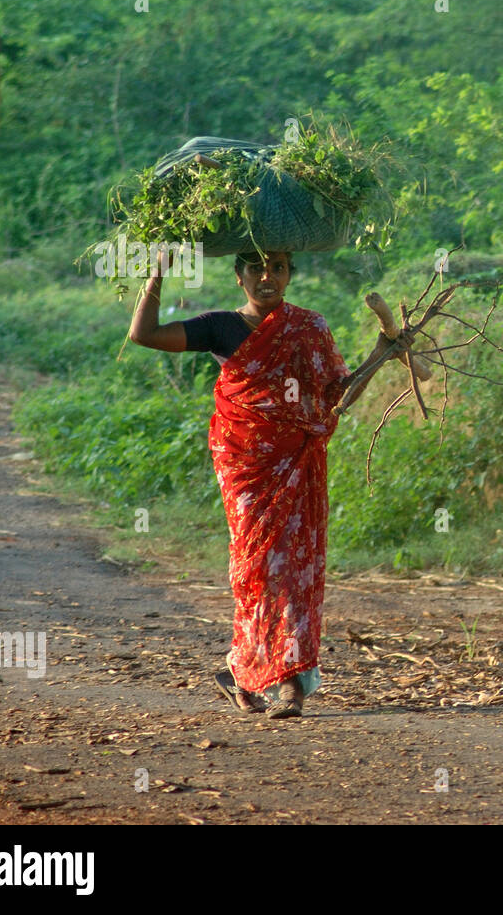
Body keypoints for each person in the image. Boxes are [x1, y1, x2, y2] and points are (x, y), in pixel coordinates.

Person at [129, 248, 353, 718]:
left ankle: (287, 683)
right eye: (255, 267)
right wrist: (158, 272)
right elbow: (143, 334)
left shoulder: (310, 328)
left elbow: (337, 392)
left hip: (296, 461)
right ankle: (245, 670)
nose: (266, 276)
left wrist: (384, 353)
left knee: (292, 569)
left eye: (277, 268)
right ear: (238, 277)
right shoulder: (221, 327)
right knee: (256, 570)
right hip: (245, 465)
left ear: (291, 274)